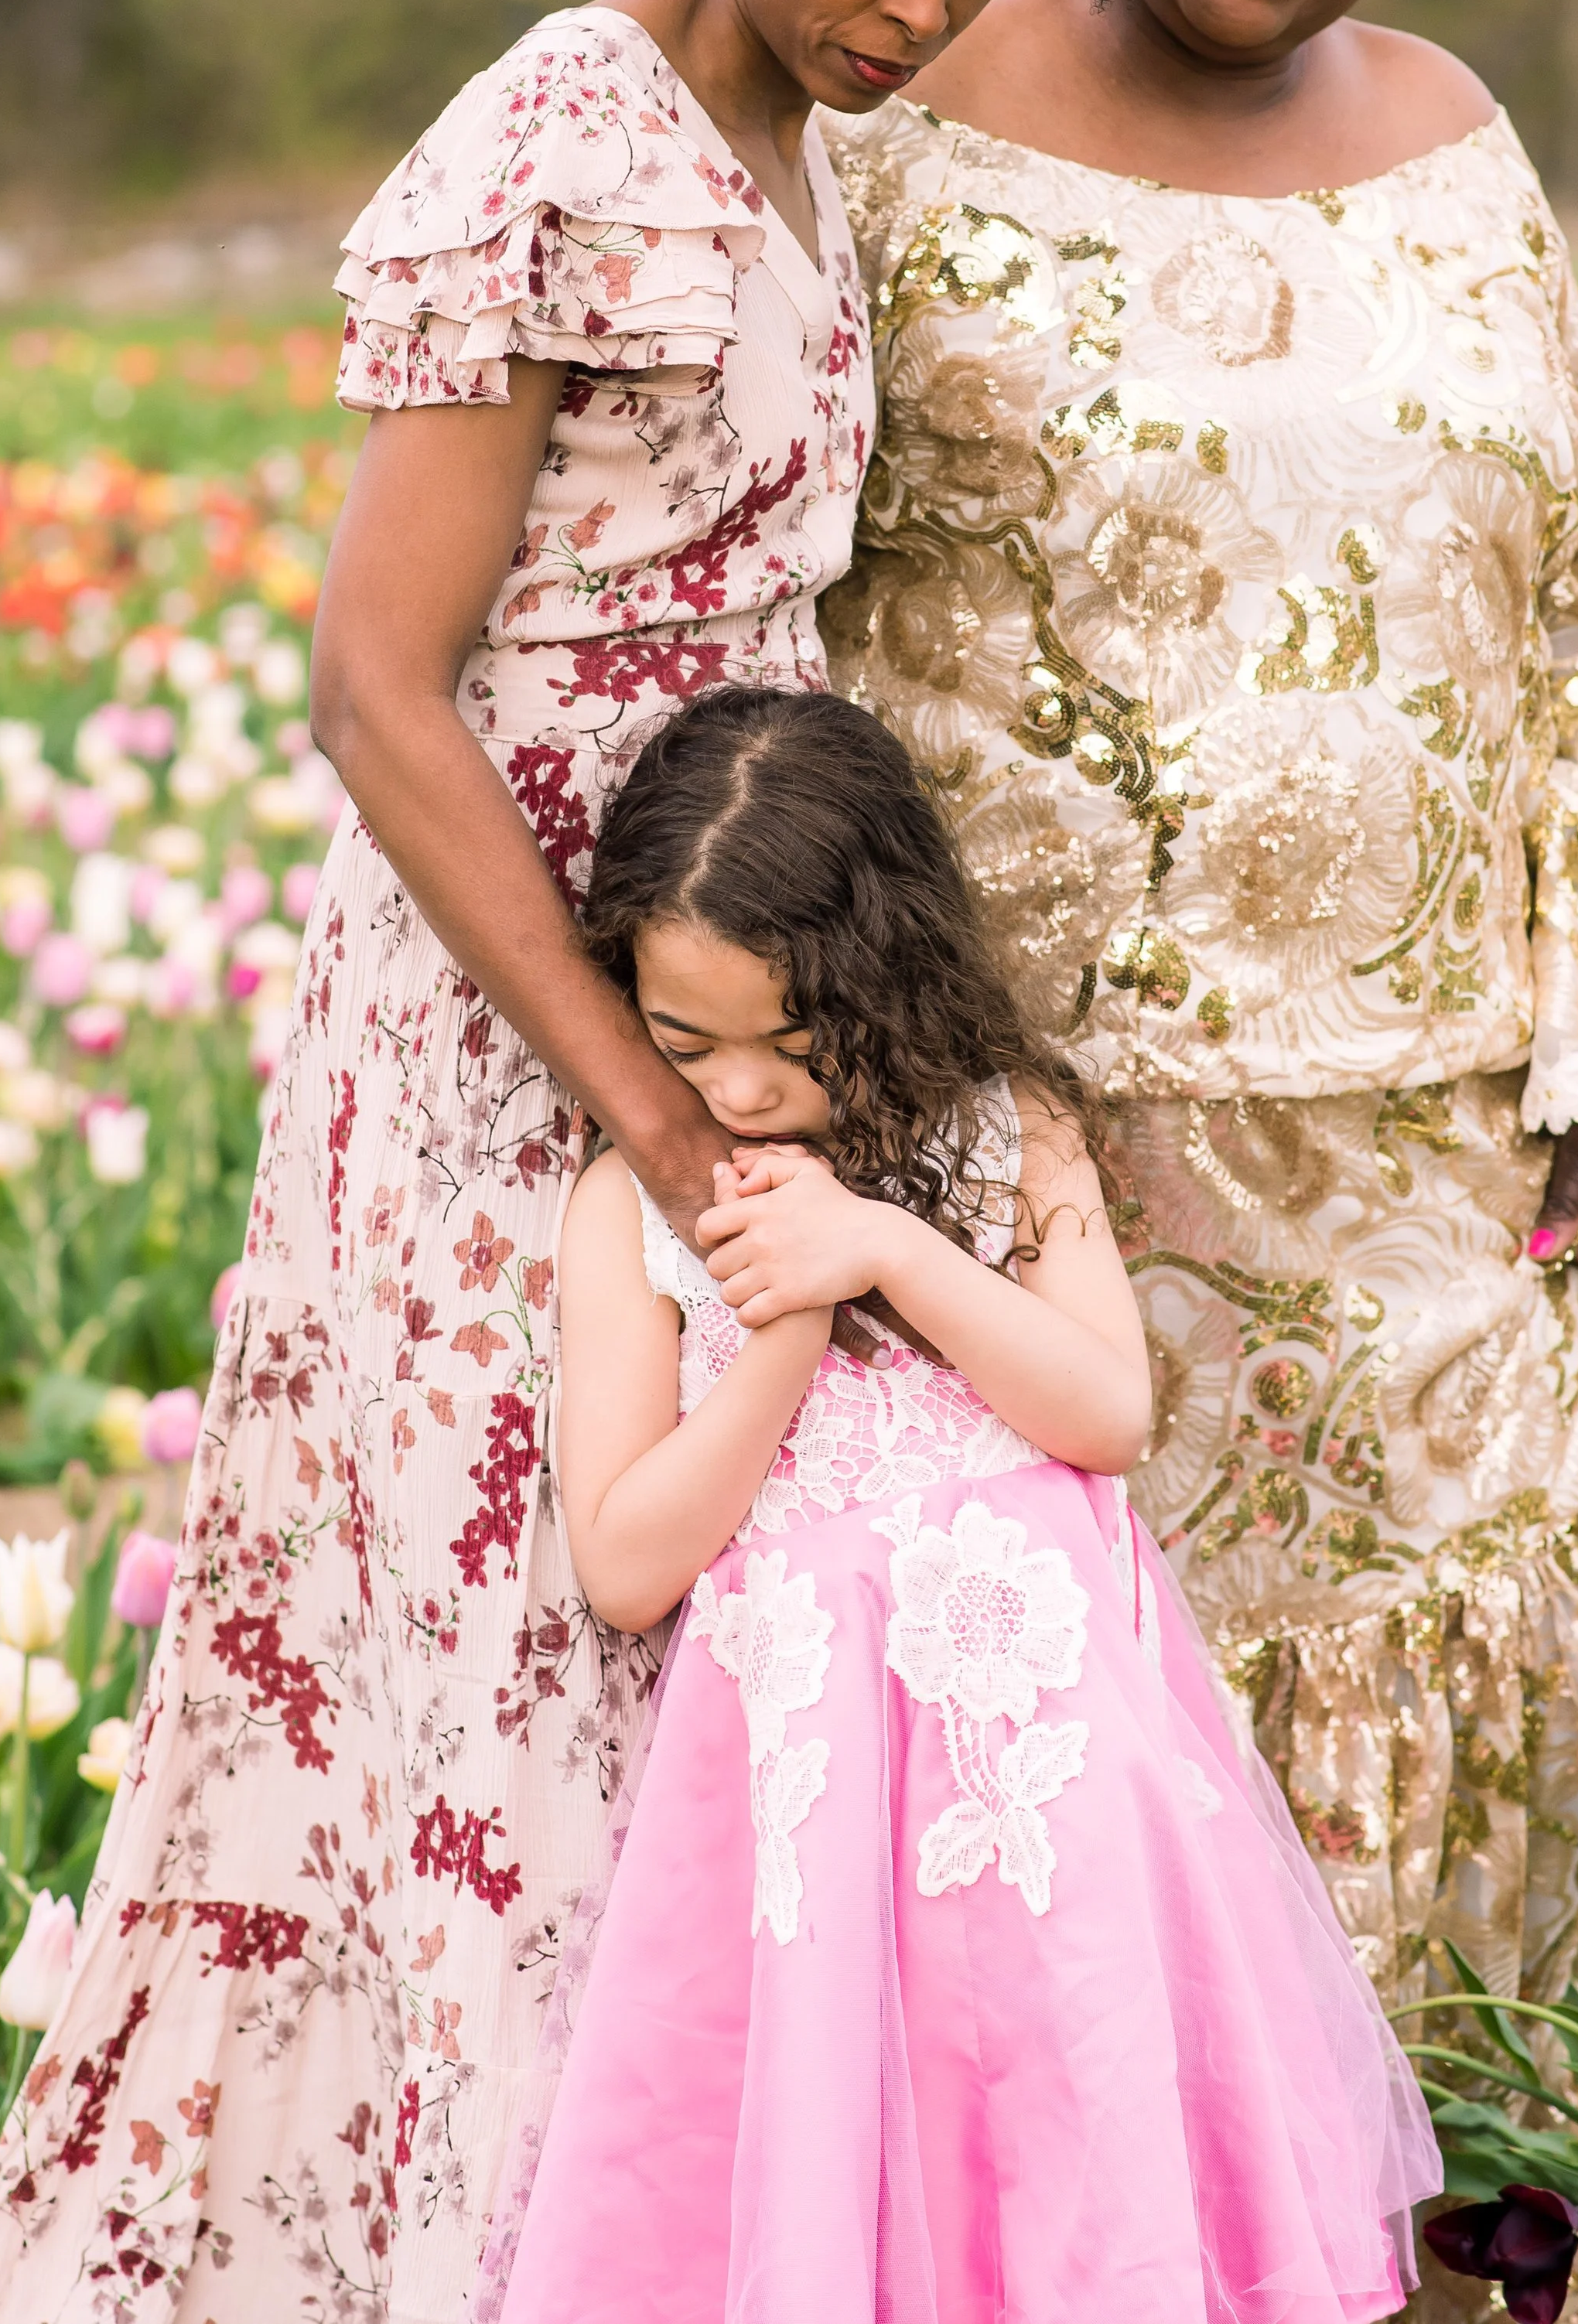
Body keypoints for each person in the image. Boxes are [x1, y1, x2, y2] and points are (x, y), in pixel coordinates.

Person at [0, 0, 1206, 2324]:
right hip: (507, 1038)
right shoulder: (543, 146)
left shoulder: (804, 154)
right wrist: (636, 1107)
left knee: (702, 1695)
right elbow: (383, 690)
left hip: (732, 1008)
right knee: (515, 1690)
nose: (909, 8)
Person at [825, 0, 1578, 2155]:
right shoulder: (896, 122)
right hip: (1036, 1189)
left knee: (1444, 1810)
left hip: (1429, 1188)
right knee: (1075, 1846)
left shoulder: (1460, 149)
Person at [475, 685, 1440, 2323]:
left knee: (1058, 2157)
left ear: (879, 977)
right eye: (685, 1044)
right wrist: (777, 1327)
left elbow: (1105, 1411)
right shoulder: (627, 1210)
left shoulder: (1003, 1133)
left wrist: (884, 1252)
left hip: (1047, 1815)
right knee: (845, 2169)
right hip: (804, 1823)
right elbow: (628, 1561)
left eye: (791, 1042)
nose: (746, 1094)